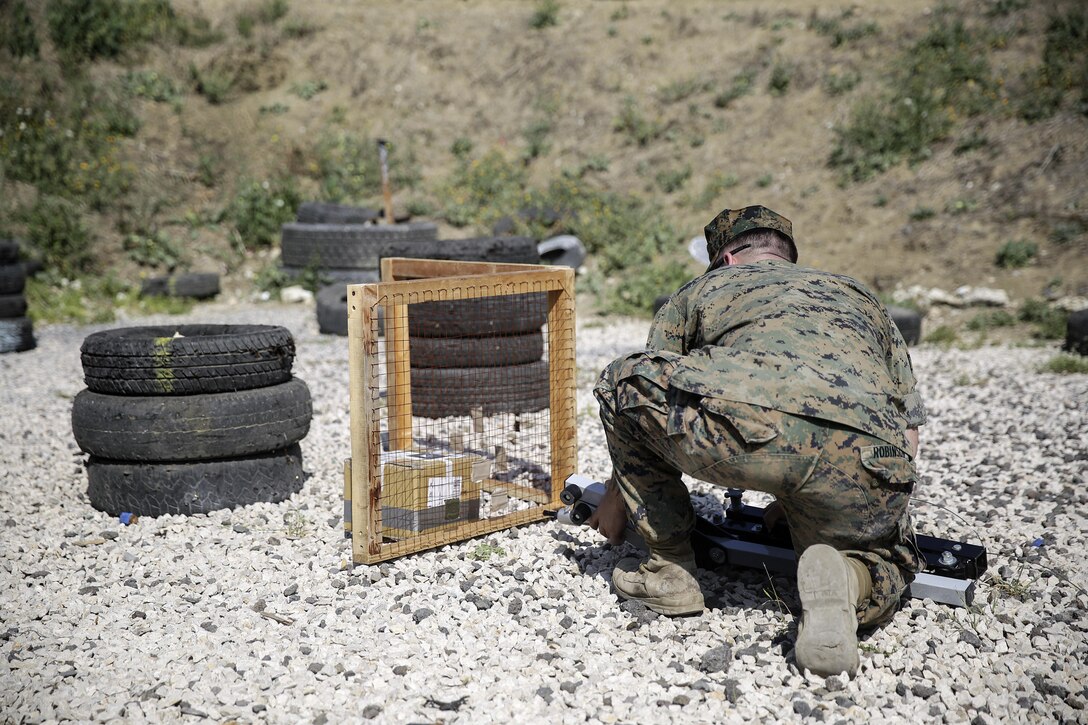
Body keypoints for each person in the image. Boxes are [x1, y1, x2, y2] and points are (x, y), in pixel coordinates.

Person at [588, 204, 926, 677]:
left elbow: (655, 397)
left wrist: (616, 497)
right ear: (785, 256)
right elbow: (909, 433)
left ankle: (669, 572)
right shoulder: (860, 296)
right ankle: (850, 581)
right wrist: (813, 501)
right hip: (871, 458)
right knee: (887, 557)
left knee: (622, 379)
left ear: (725, 258)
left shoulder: (702, 289)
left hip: (748, 433)